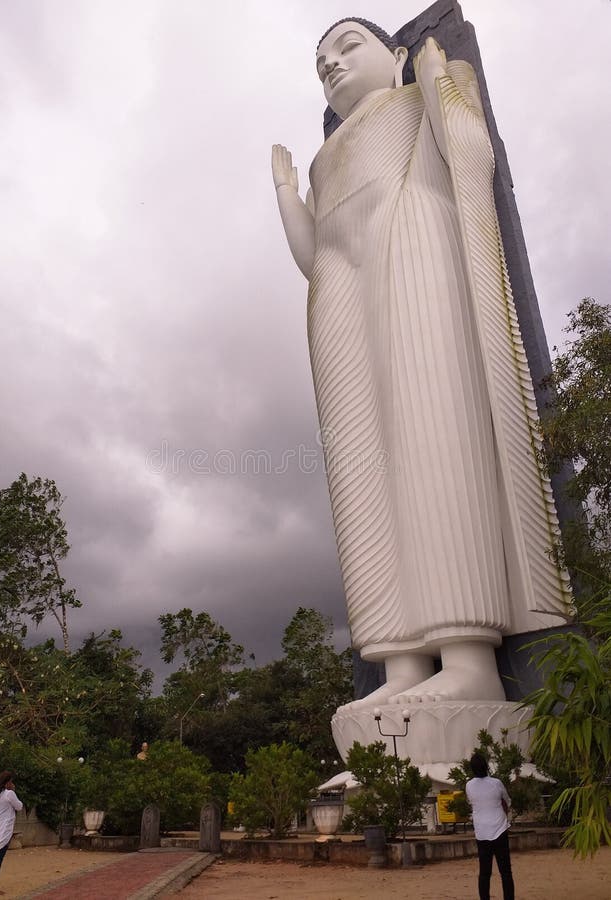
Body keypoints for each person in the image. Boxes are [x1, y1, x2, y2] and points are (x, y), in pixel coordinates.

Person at [272, 19, 569, 706]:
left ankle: (466, 657)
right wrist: (289, 199)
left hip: (411, 243)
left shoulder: (416, 96)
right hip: (339, 278)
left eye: (349, 47)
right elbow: (313, 256)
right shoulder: (325, 158)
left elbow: (469, 156)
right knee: (360, 464)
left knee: (433, 436)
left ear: (396, 54)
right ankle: (400, 662)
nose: (333, 65)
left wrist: (439, 84)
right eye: (322, 64)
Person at [465, 752, 515, 900]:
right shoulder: (496, 783)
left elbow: (471, 803)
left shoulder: (469, 786)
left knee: (484, 872)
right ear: (486, 766)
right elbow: (507, 801)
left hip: (481, 832)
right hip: (499, 829)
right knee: (505, 871)